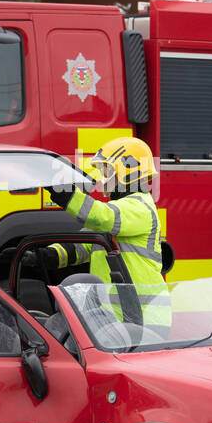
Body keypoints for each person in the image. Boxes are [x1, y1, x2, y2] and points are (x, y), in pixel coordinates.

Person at [35, 136, 170, 332]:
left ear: (128, 171)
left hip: (145, 318)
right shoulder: (119, 211)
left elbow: (101, 217)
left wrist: (64, 193)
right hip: (119, 314)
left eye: (107, 171)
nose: (103, 178)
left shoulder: (140, 207)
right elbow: (84, 245)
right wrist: (48, 255)